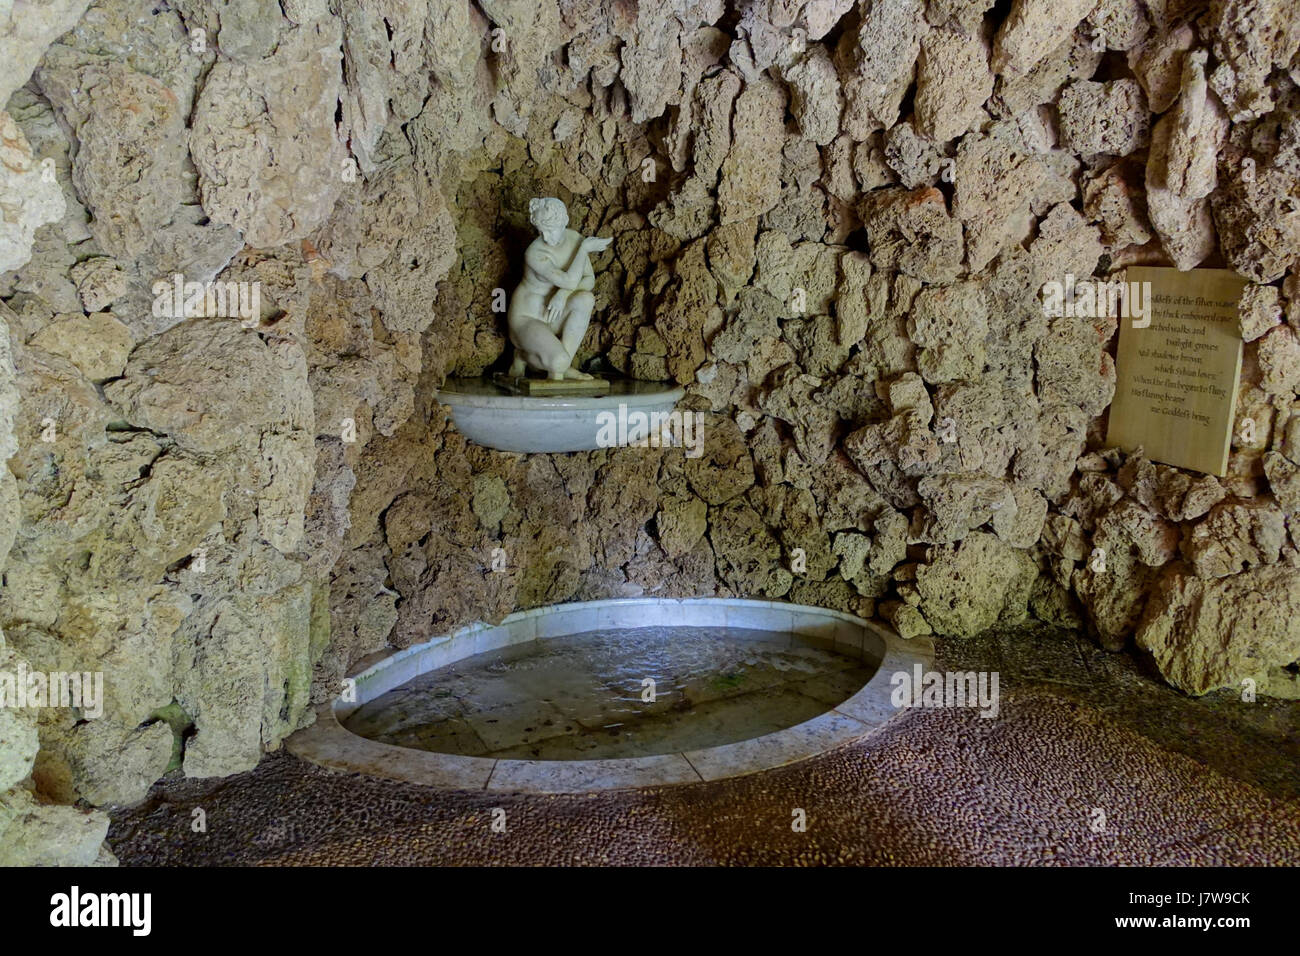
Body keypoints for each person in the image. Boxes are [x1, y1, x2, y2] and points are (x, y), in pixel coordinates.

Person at [507, 198, 612, 380]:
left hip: (553, 314)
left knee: (586, 299)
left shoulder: (575, 239)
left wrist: (562, 295)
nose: (546, 237)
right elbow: (570, 281)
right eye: (541, 231)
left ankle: (562, 367)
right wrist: (584, 249)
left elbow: (589, 279)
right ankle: (524, 355)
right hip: (527, 319)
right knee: (558, 360)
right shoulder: (534, 253)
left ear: (564, 221)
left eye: (550, 230)